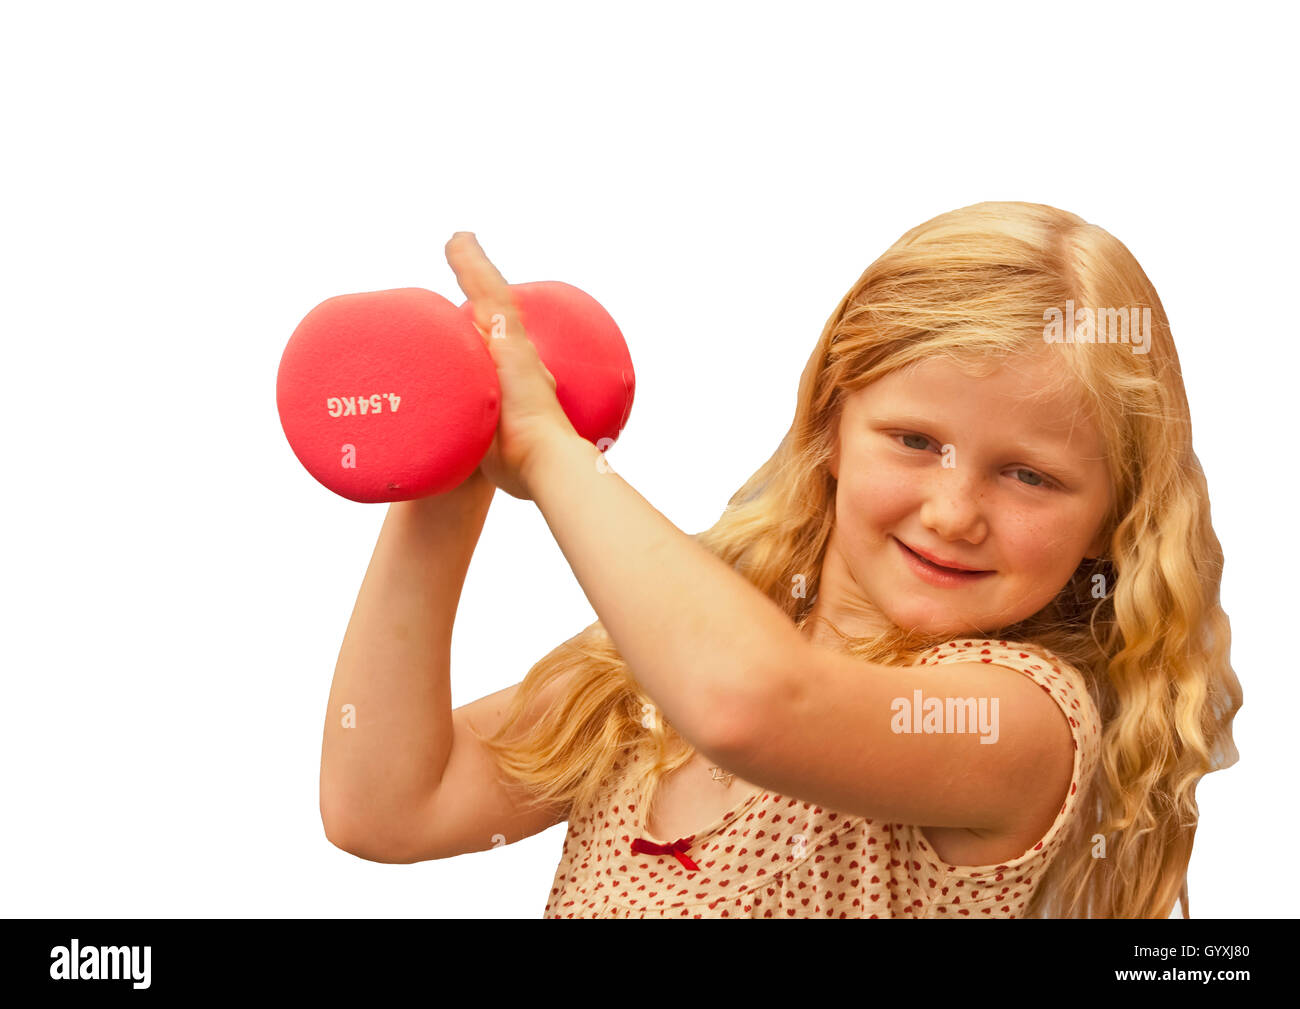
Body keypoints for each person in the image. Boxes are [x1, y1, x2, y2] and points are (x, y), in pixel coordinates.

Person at [319, 203, 1241, 919]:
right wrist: (449, 464)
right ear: (831, 426)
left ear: (1107, 521)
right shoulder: (667, 662)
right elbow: (388, 804)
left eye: (1030, 476)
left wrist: (548, 446)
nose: (956, 512)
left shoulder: (1022, 719)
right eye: (915, 440)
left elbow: (753, 706)